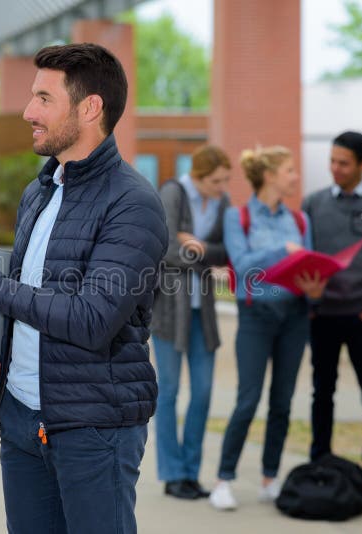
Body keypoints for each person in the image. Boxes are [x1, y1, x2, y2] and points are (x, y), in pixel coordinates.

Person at [0, 43, 167, 534]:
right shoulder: (40, 190)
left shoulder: (133, 204)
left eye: (44, 99)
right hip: (21, 419)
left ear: (90, 107)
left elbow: (92, 320)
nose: (29, 112)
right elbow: (33, 291)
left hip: (94, 428)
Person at [210, 146, 326, 511]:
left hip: (294, 315)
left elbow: (306, 264)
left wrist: (315, 286)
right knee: (248, 400)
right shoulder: (237, 217)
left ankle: (270, 478)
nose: (295, 177)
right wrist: (282, 250)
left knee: (282, 401)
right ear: (271, 175)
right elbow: (242, 265)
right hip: (255, 316)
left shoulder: (301, 220)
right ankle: (223, 481)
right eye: (290, 170)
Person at [302, 131, 362, 500]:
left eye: (343, 163)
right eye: (332, 161)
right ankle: (320, 460)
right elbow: (303, 256)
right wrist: (311, 305)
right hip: (323, 316)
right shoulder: (313, 204)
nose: (335, 169)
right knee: (321, 393)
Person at [152, 145, 231, 500]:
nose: (222, 186)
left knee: (202, 393)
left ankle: (191, 473)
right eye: (217, 180)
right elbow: (164, 248)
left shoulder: (222, 203)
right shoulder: (172, 192)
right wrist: (202, 252)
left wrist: (195, 246)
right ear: (199, 176)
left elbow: (224, 252)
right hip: (169, 311)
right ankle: (172, 474)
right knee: (168, 393)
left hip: (205, 313)